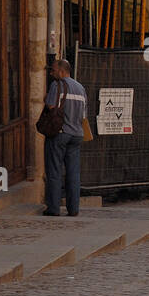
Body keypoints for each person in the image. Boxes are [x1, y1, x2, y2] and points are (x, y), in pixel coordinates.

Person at [42, 59, 87, 217]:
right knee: (73, 172)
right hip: (77, 134)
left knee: (54, 170)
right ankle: (73, 208)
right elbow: (83, 115)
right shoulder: (81, 88)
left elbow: (51, 106)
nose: (51, 73)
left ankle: (53, 208)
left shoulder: (57, 85)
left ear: (62, 71)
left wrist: (45, 99)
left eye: (53, 70)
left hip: (60, 133)